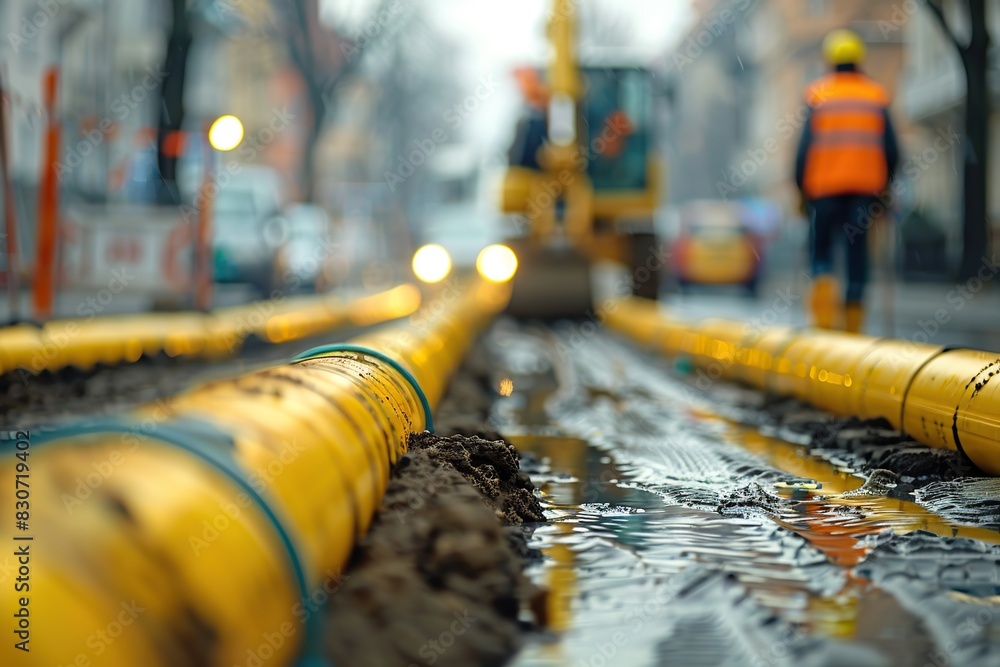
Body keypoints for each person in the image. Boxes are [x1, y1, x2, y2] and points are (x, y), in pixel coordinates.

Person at [796, 29, 900, 333]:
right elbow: (891, 149)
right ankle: (854, 323)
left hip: (824, 191)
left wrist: (801, 189)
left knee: (822, 250)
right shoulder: (875, 95)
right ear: (859, 60)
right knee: (857, 254)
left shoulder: (817, 95)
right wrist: (886, 186)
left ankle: (824, 320)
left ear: (830, 60)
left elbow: (805, 149)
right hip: (863, 192)